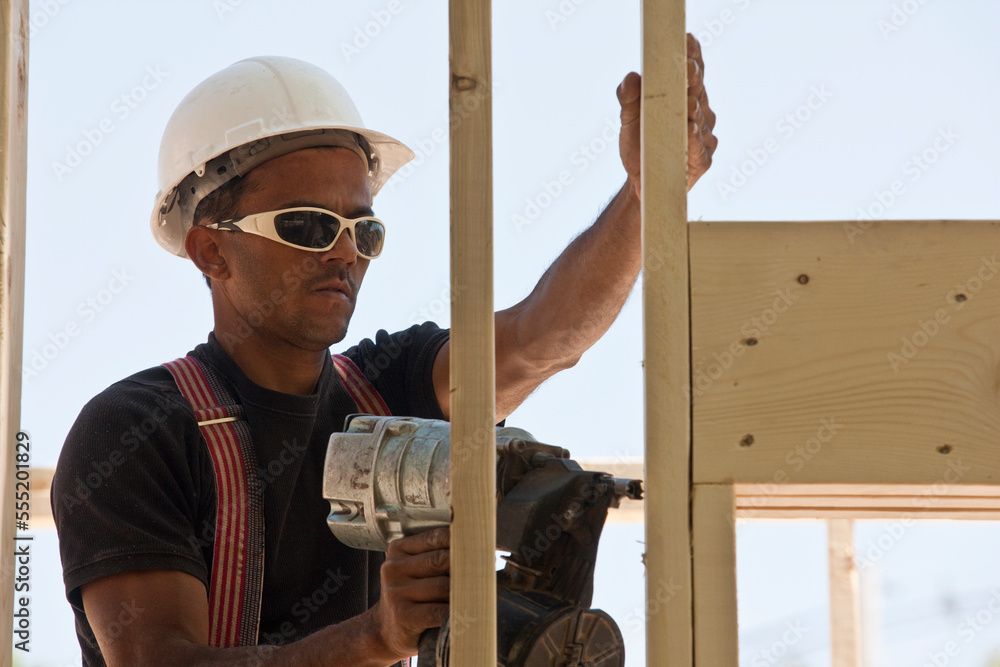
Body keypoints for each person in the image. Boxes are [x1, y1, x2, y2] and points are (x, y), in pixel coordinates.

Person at [51, 36, 716, 667]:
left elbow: (544, 339)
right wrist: (375, 636)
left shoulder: (389, 390)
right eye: (308, 225)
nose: (345, 251)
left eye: (362, 229)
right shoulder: (138, 431)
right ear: (211, 249)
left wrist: (647, 193)